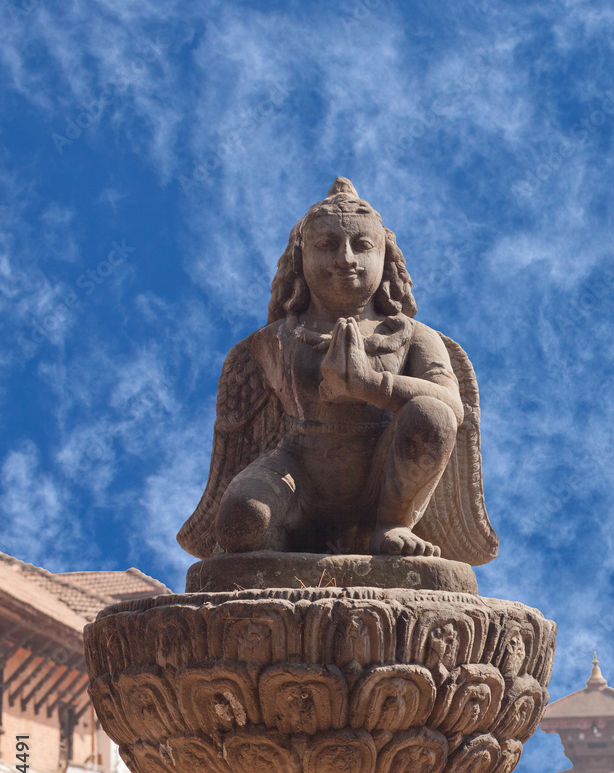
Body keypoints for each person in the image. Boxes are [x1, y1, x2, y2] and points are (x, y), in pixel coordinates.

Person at [179, 178, 497, 565]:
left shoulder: (415, 336)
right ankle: (286, 546)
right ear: (301, 259)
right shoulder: (272, 340)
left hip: (383, 478)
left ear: (385, 259)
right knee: (240, 525)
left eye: (362, 246)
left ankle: (391, 527)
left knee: (432, 413)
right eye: (327, 245)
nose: (345, 259)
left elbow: (452, 405)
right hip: (298, 472)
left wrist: (372, 385)